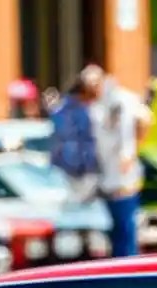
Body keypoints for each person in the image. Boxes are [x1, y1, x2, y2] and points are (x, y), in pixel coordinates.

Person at [94, 76, 152, 257]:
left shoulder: (109, 118)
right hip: (120, 188)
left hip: (117, 187)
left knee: (123, 235)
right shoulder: (117, 112)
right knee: (124, 235)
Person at [49, 66, 105, 203]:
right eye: (97, 86)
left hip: (91, 173)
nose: (100, 90)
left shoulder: (95, 109)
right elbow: (67, 140)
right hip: (70, 174)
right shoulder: (66, 110)